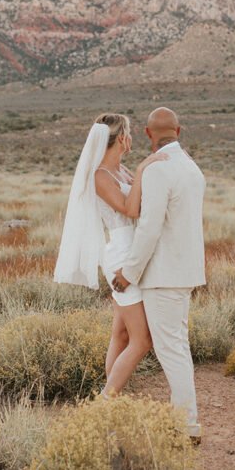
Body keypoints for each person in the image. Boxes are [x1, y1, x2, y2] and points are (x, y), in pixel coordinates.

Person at [53, 113, 168, 397]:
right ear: (121, 138)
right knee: (142, 340)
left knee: (121, 334)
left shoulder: (121, 170)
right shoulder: (101, 176)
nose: (132, 138)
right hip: (122, 257)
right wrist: (143, 169)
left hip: (134, 251)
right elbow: (129, 209)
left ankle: (112, 397)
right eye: (129, 133)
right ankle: (107, 399)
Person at [112, 107, 206, 443]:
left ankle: (187, 425)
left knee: (171, 350)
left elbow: (149, 227)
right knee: (177, 346)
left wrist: (129, 272)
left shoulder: (157, 169)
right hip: (185, 271)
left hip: (163, 274)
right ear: (178, 131)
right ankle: (186, 421)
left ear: (148, 133)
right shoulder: (192, 168)